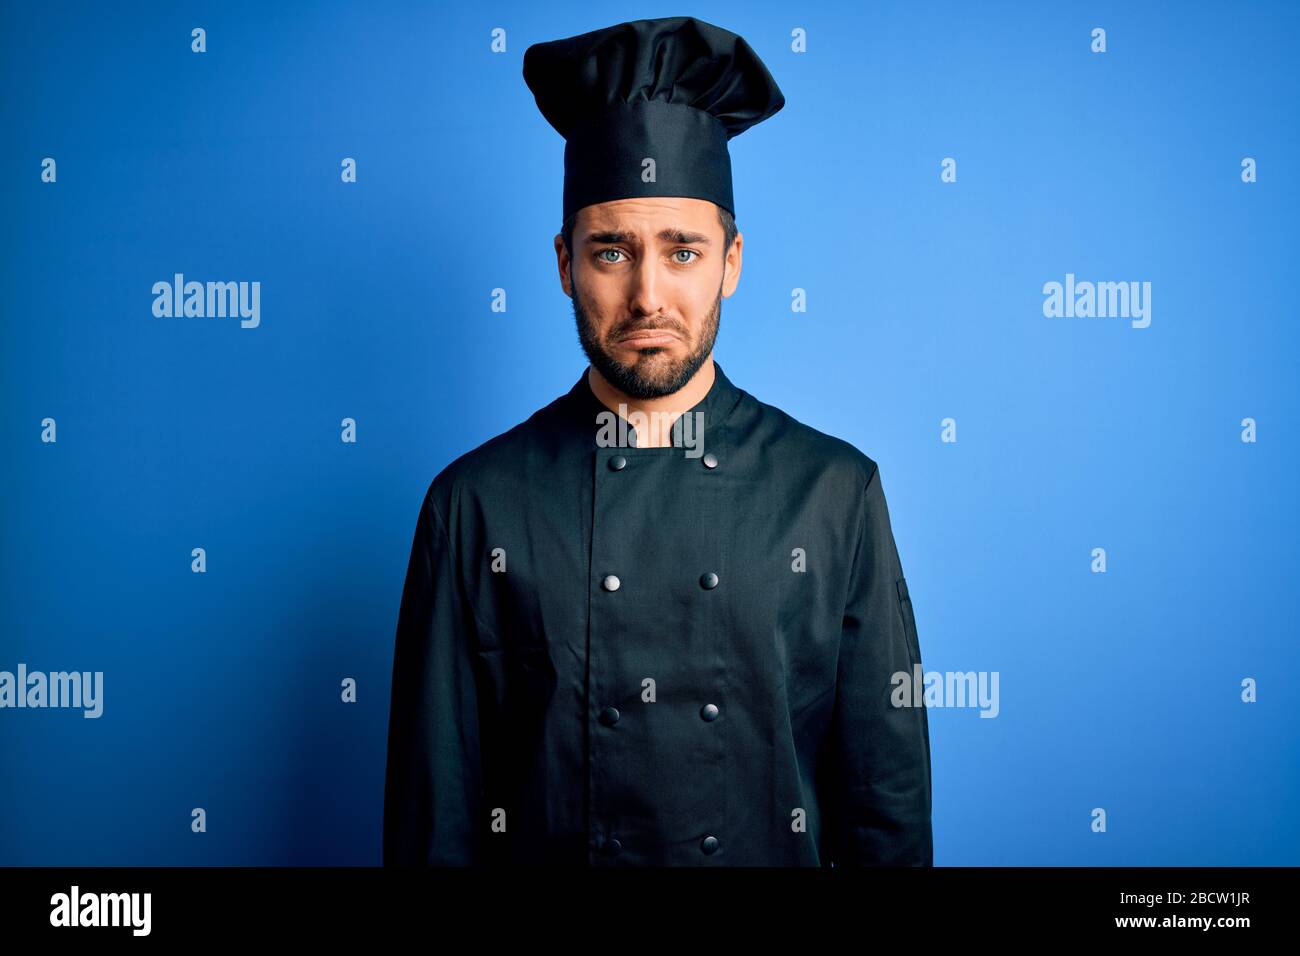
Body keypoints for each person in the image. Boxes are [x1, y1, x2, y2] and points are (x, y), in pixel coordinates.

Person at [383, 15, 932, 866]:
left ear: (732, 262)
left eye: (682, 251)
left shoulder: (834, 493)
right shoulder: (474, 506)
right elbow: (433, 818)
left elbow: (885, 807)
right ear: (565, 263)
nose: (648, 295)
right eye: (612, 252)